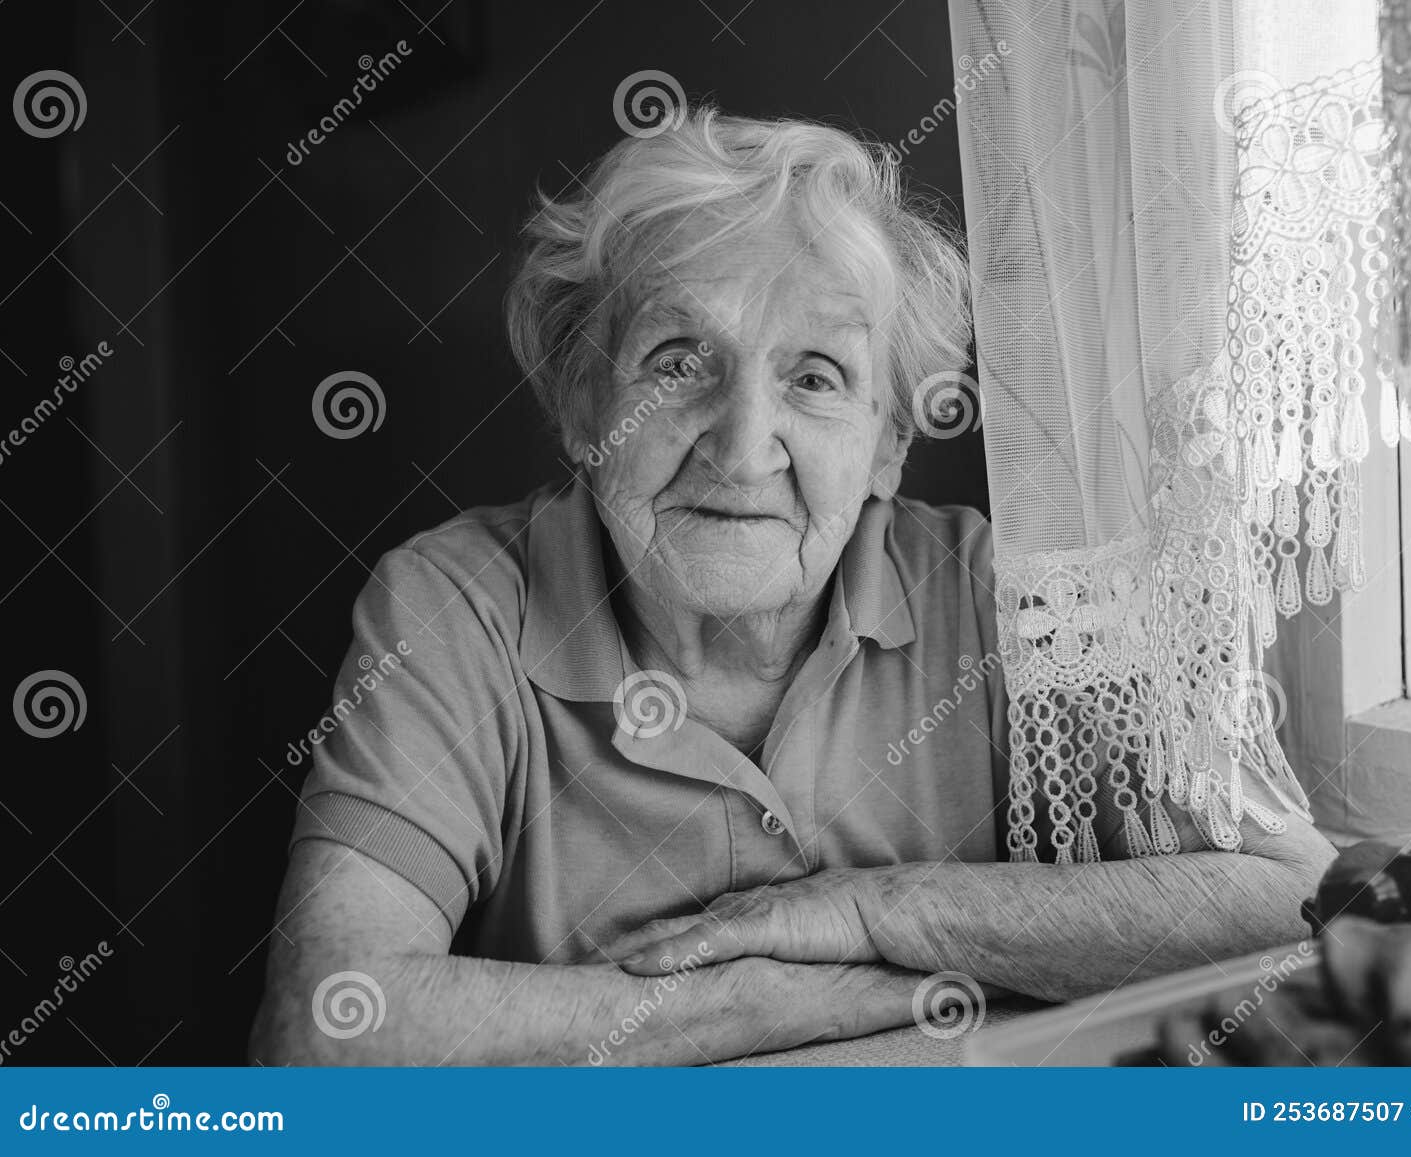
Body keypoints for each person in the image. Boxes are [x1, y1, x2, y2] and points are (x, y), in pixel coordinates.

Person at [250, 108, 1334, 1065]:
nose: (742, 446)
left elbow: (1293, 887)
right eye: (680, 361)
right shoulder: (458, 605)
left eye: (815, 377)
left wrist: (878, 908)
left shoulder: (1004, 593)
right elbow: (325, 1029)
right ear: (585, 403)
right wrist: (766, 991)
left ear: (889, 444)